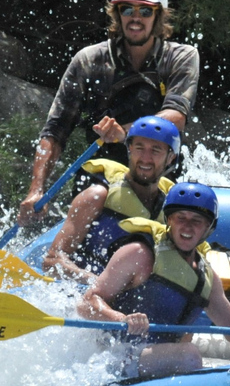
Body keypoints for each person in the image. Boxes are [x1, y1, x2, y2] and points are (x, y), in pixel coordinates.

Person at [18, 0, 199, 224]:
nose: (135, 18)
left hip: (160, 173)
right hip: (101, 176)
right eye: (127, 9)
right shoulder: (88, 60)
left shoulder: (181, 57)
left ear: (158, 16)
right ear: (117, 14)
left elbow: (176, 116)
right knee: (94, 196)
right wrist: (36, 189)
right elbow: (55, 130)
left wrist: (125, 133)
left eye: (145, 11)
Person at [78, 182, 230, 379]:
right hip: (114, 355)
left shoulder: (207, 277)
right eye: (181, 218)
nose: (187, 226)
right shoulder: (140, 253)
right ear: (169, 220)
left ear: (208, 228)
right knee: (189, 355)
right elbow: (87, 301)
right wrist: (121, 318)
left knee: (187, 350)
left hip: (156, 362)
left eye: (197, 220)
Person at [42, 116, 180, 283]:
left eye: (156, 150)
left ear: (171, 157)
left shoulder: (173, 210)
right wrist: (101, 283)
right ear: (129, 149)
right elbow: (52, 261)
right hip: (82, 288)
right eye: (139, 147)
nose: (145, 157)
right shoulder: (97, 196)